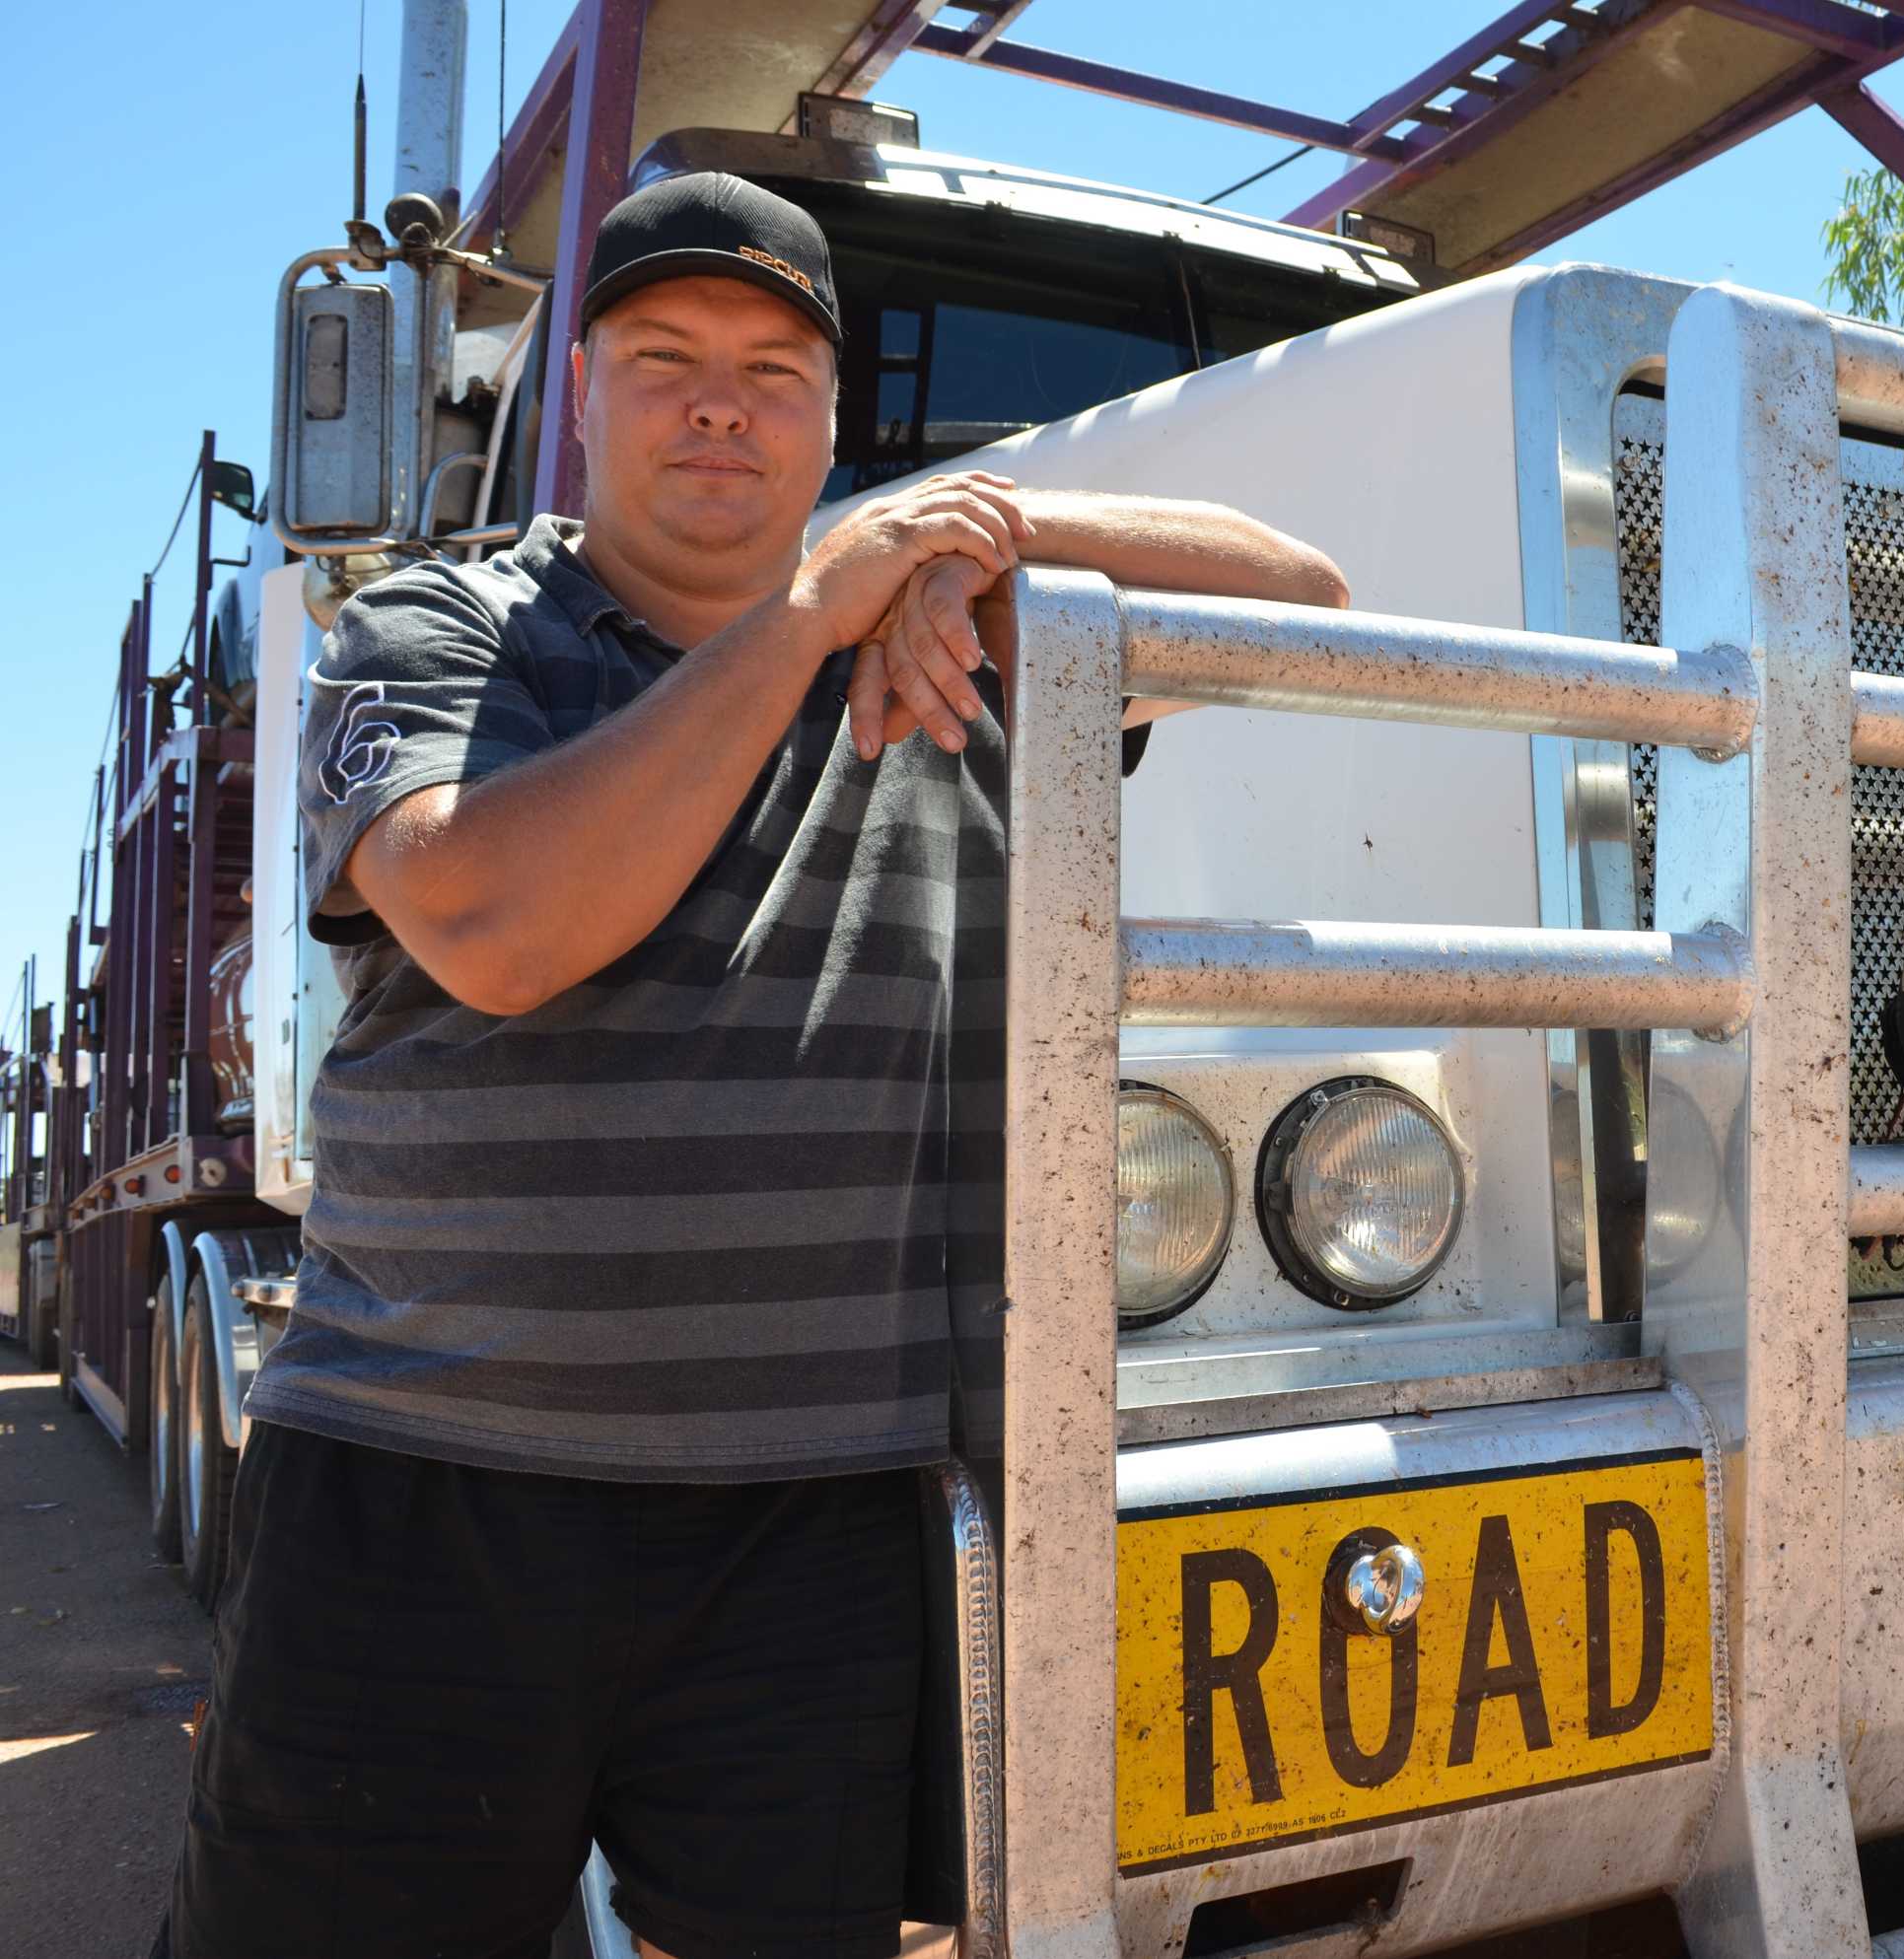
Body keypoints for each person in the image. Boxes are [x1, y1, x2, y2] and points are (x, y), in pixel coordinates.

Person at [167, 172, 1348, 1959]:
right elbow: (497, 924)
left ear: (834, 415)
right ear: (580, 396)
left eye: (772, 368)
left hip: (818, 1529)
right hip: (429, 1503)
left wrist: (969, 538)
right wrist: (799, 622)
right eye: (665, 358)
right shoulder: (440, 631)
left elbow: (1307, 604)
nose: (720, 402)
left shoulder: (956, 649)